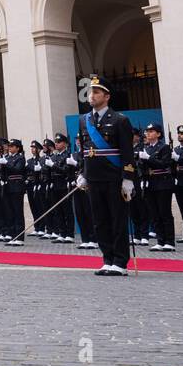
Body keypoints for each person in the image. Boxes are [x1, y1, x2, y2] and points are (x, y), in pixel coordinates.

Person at [74, 76, 136, 276]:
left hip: (114, 177)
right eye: (91, 92)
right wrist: (82, 173)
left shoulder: (120, 120)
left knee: (117, 220)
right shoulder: (84, 120)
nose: (91, 96)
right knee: (99, 221)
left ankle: (120, 261)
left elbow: (127, 151)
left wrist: (128, 178)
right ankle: (107, 259)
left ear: (107, 96)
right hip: (93, 178)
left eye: (97, 92)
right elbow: (84, 150)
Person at [137, 124, 176, 251]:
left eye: (151, 131)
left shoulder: (164, 147)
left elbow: (164, 164)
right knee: (154, 213)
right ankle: (160, 240)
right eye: (147, 131)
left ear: (158, 134)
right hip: (150, 183)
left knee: (164, 213)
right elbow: (142, 168)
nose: (148, 133)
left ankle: (169, 241)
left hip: (162, 182)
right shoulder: (146, 148)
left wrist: (149, 158)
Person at [0, 139, 27, 246]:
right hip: (8, 187)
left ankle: (19, 236)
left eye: (12, 146)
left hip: (17, 187)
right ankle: (12, 235)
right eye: (9, 146)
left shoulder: (20, 158)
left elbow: (17, 169)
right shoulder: (8, 158)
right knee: (10, 212)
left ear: (17, 148)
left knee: (18, 212)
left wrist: (6, 163)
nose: (10, 148)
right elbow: (4, 173)